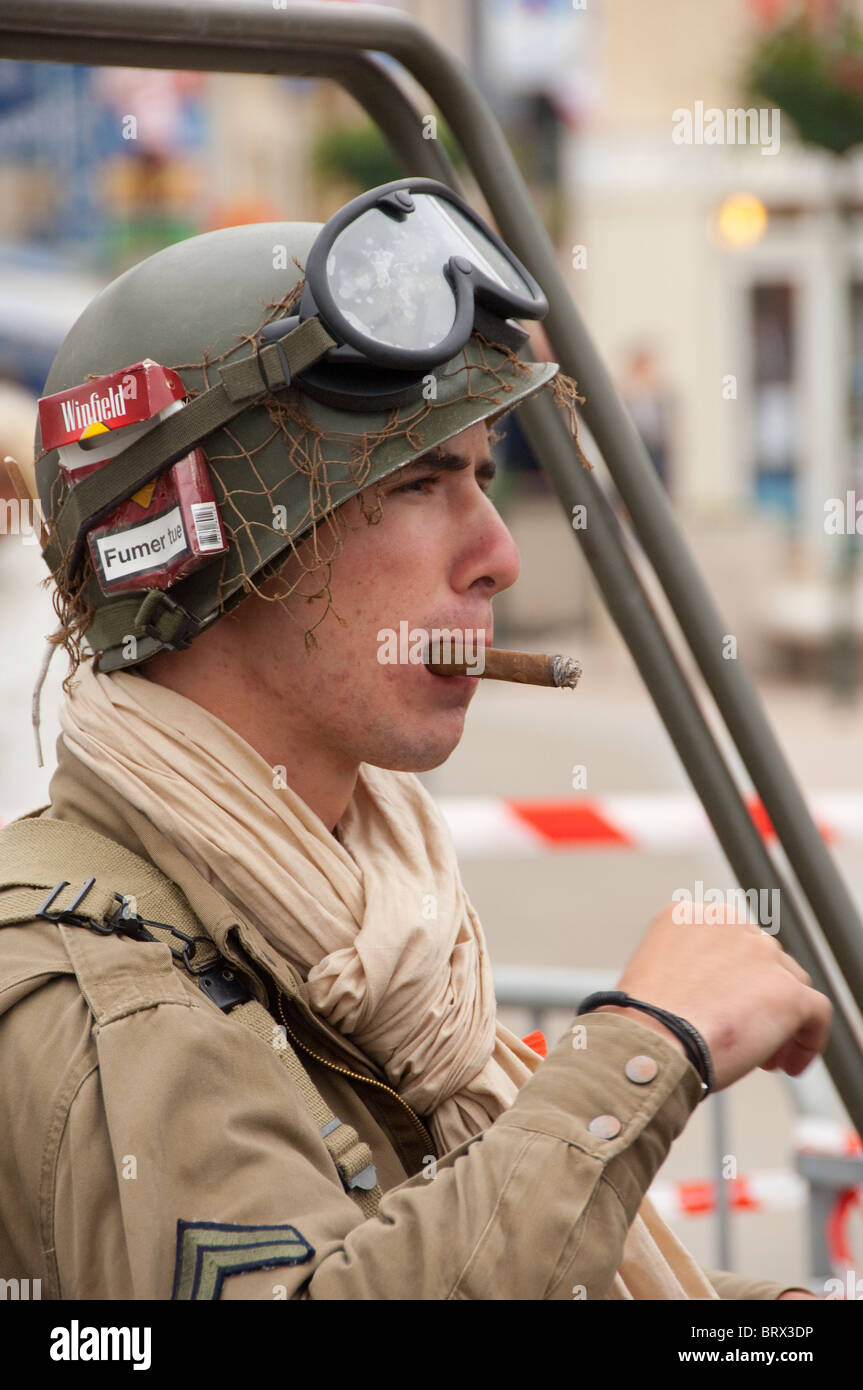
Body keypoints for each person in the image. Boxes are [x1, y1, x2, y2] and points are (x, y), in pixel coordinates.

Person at [0, 185, 829, 1301]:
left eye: (482, 474)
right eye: (418, 479)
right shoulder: (105, 992)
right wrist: (638, 1049)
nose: (496, 555)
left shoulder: (371, 930)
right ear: (210, 546)